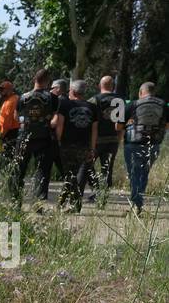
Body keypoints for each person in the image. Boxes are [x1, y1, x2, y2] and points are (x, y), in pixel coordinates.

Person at [11, 68, 59, 203]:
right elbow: (55, 120)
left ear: (34, 79)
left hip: (24, 137)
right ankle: (39, 202)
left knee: (19, 170)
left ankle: (16, 200)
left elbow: (16, 117)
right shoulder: (52, 97)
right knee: (42, 171)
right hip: (44, 138)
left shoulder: (23, 96)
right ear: (48, 81)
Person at [53, 79, 97, 213]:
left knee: (70, 175)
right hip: (84, 145)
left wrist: (58, 141)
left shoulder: (65, 104)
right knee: (71, 175)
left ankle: (75, 205)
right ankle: (61, 203)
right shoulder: (92, 107)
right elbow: (95, 130)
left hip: (67, 144)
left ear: (72, 90)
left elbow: (59, 124)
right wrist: (92, 148)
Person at [125, 81, 166, 214]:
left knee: (134, 173)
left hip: (134, 144)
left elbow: (118, 126)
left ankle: (136, 202)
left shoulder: (133, 104)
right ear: (154, 92)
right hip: (154, 144)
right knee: (144, 173)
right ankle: (138, 201)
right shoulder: (163, 105)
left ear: (140, 92)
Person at [89, 75, 124, 203]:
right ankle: (103, 195)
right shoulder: (121, 100)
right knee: (107, 168)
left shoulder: (94, 100)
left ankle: (97, 190)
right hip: (113, 139)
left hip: (97, 139)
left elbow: (91, 121)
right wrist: (119, 139)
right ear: (113, 86)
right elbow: (122, 124)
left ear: (99, 85)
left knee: (87, 165)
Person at [0, 80, 20, 158]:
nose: (0, 92)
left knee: (8, 157)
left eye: (2, 90)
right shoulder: (14, 98)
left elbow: (7, 123)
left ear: (9, 90)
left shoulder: (11, 101)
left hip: (9, 133)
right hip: (15, 132)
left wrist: (1, 136)